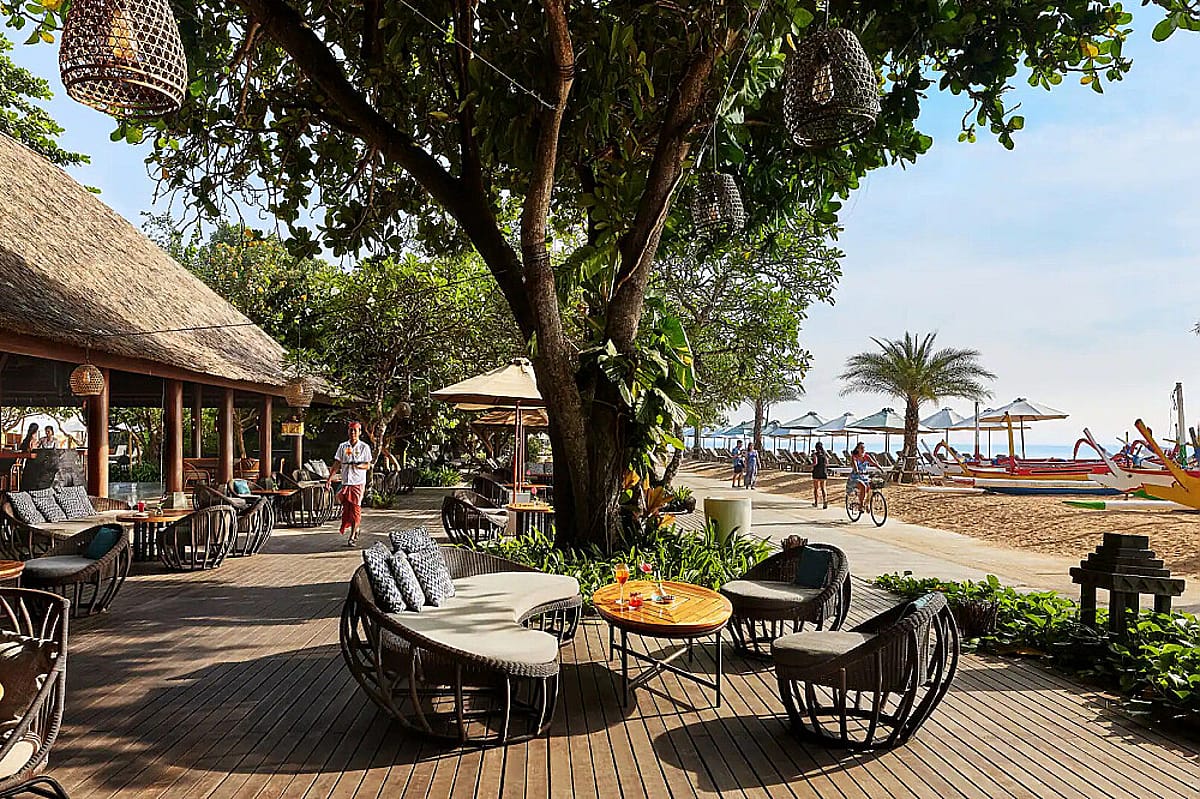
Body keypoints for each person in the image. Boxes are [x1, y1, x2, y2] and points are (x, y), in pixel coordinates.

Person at [327, 421, 372, 545]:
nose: (353, 432)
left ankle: (352, 536)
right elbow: (337, 463)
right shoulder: (343, 446)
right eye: (351, 430)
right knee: (347, 508)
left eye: (355, 430)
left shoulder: (364, 447)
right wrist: (329, 479)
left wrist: (358, 466)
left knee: (355, 508)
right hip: (346, 482)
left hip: (358, 482)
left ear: (360, 432)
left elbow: (368, 465)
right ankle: (356, 528)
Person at [847, 442, 879, 507]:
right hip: (855, 477)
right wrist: (857, 470)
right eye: (861, 448)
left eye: (864, 448)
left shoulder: (866, 456)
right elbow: (855, 465)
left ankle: (867, 504)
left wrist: (880, 469)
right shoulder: (854, 457)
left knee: (870, 488)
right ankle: (861, 505)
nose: (863, 449)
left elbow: (874, 463)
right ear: (857, 449)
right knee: (863, 487)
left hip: (864, 477)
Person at [811, 442, 829, 508]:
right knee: (823, 488)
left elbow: (815, 463)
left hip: (816, 472)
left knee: (816, 488)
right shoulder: (825, 454)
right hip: (823, 472)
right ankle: (825, 501)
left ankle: (816, 503)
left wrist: (810, 465)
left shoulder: (815, 454)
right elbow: (827, 463)